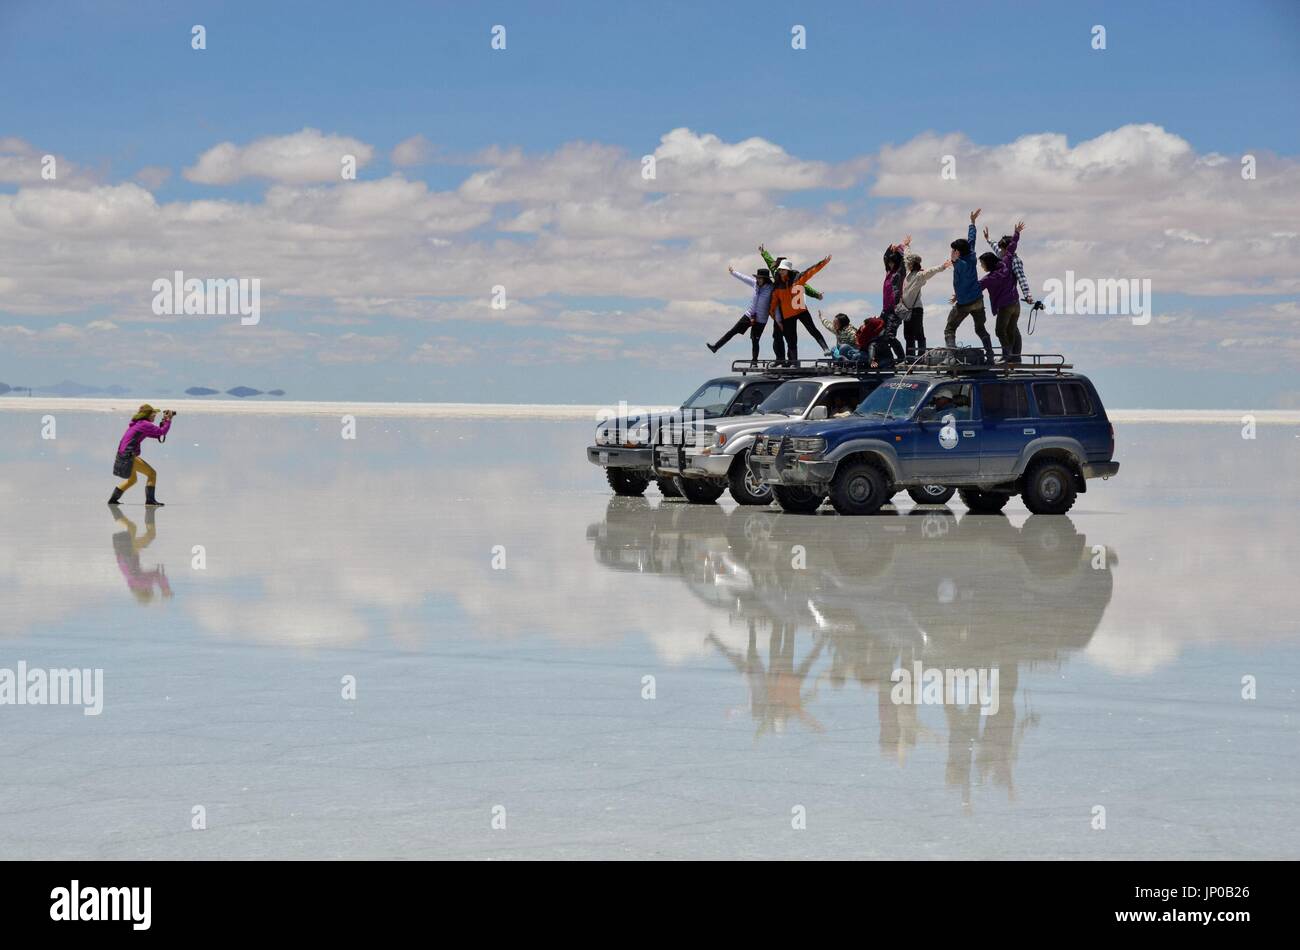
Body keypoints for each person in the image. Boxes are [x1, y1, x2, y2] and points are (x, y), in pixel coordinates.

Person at [943, 208, 995, 363]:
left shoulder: (962, 264)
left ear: (958, 252)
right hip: (978, 301)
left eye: (954, 249)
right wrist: (972, 222)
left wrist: (954, 260)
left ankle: (950, 357)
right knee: (980, 329)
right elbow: (971, 238)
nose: (952, 251)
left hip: (965, 303)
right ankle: (990, 356)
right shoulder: (971, 252)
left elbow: (958, 265)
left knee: (949, 329)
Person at [710, 265, 784, 362]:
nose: (758, 280)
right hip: (749, 315)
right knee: (733, 331)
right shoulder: (755, 284)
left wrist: (778, 320)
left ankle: (754, 361)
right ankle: (715, 347)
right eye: (757, 278)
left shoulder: (771, 288)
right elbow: (744, 278)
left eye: (760, 278)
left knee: (755, 340)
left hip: (761, 319)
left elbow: (776, 305)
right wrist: (733, 272)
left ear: (765, 279)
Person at [769, 255, 832, 363]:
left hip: (801, 310)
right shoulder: (777, 285)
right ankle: (794, 362)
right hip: (788, 315)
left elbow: (811, 271)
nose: (781, 272)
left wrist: (824, 262)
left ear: (788, 270)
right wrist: (773, 315)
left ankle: (825, 348)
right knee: (791, 340)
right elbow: (773, 303)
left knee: (812, 329)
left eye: (783, 270)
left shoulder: (798, 278)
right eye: (780, 270)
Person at [978, 221, 1025, 363]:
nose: (981, 266)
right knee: (1011, 331)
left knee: (1000, 331)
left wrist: (958, 296)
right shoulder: (1006, 262)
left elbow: (975, 288)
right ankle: (1014, 358)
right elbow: (1011, 247)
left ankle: (1007, 356)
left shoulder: (990, 278)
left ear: (988, 264)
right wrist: (1016, 233)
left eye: (982, 264)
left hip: (1006, 305)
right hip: (1016, 304)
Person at [109, 404, 175, 506]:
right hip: (128, 456)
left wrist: (163, 422)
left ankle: (113, 500)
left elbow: (157, 434)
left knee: (132, 480)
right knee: (152, 474)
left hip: (123, 455)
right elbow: (162, 432)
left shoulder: (138, 424)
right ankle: (150, 501)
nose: (154, 415)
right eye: (153, 414)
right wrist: (168, 420)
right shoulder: (144, 424)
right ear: (147, 414)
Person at [898, 253, 952, 359]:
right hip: (907, 310)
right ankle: (910, 358)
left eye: (909, 263)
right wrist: (907, 246)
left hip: (916, 309)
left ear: (912, 264)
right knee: (908, 335)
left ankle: (921, 357)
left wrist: (942, 266)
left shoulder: (919, 275)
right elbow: (906, 257)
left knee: (918, 334)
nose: (906, 264)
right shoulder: (908, 273)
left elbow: (931, 271)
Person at [877, 237, 910, 362]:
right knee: (879, 335)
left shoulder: (899, 272)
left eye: (892, 262)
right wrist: (889, 250)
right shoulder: (888, 273)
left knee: (890, 336)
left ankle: (902, 358)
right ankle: (887, 357)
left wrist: (902, 247)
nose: (890, 264)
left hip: (895, 310)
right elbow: (885, 258)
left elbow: (903, 260)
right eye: (889, 262)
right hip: (885, 310)